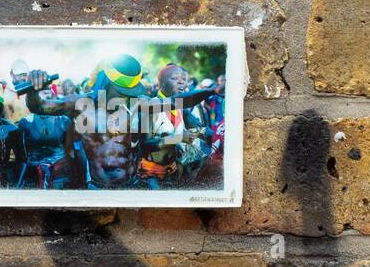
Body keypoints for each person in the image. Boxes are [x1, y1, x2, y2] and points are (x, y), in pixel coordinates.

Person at [24, 54, 223, 189]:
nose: (125, 96)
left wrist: (212, 91)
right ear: (105, 83)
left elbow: (176, 102)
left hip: (133, 184)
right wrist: (34, 88)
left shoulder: (139, 104)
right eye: (120, 92)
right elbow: (39, 106)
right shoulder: (81, 105)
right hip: (96, 187)